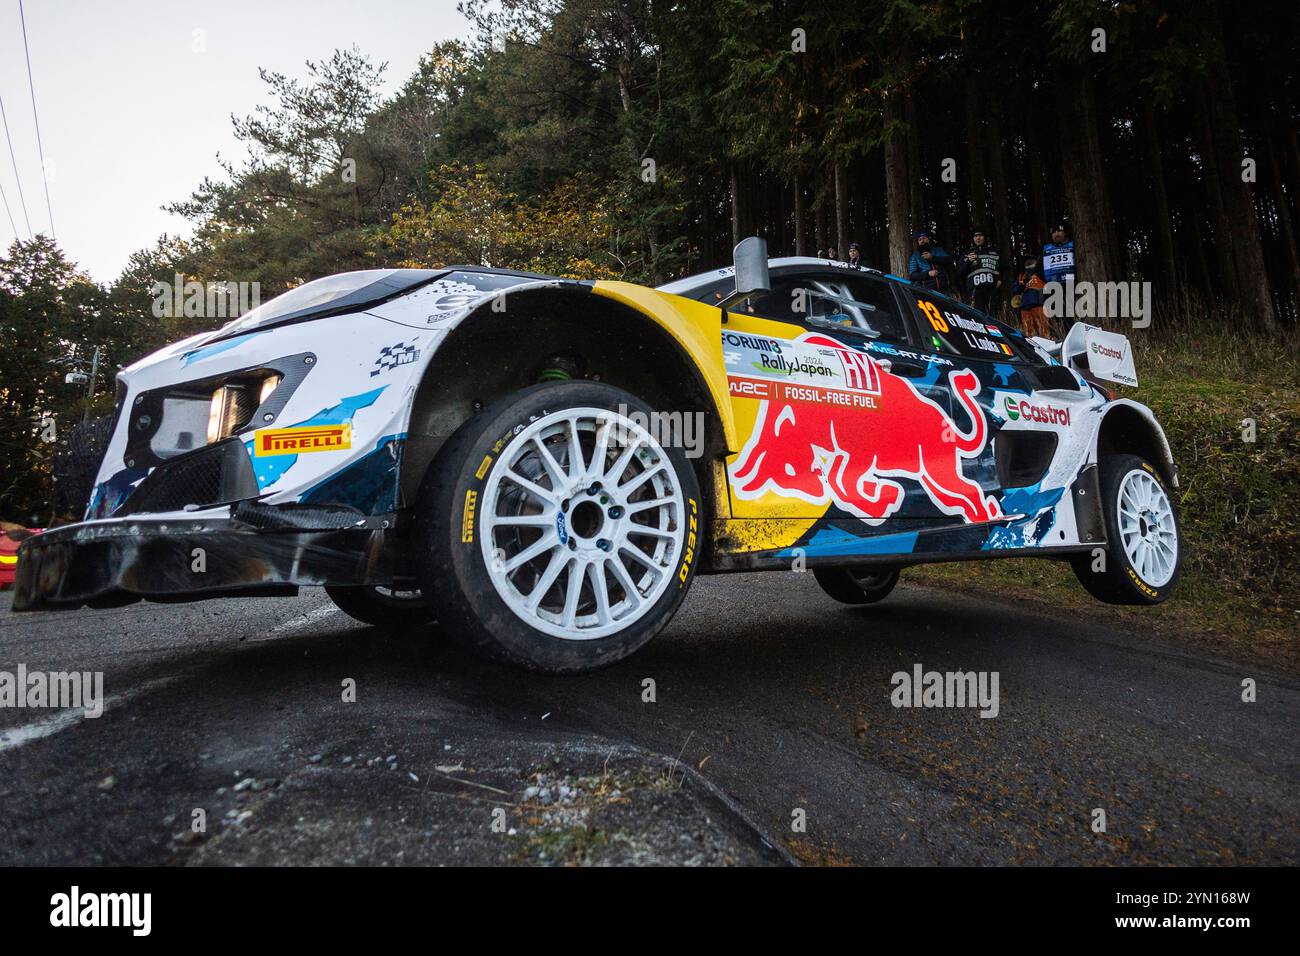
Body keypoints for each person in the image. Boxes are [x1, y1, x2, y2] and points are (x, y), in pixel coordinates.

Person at [959, 228, 1001, 315]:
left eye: (980, 236)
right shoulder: (967, 253)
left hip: (991, 289)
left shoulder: (994, 251)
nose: (978, 238)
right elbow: (960, 272)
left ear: (984, 237)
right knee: (978, 316)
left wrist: (1000, 279)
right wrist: (968, 262)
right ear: (973, 239)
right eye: (975, 236)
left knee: (992, 315)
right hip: (975, 290)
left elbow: (1003, 267)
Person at [1011, 254, 1049, 338]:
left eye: (1031, 261)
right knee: (1029, 332)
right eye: (1027, 262)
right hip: (1025, 307)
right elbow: (1014, 290)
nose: (1029, 263)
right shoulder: (1021, 276)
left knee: (1043, 329)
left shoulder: (1041, 274)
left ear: (1036, 262)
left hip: (1039, 305)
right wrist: (1020, 286)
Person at [1041, 222, 1076, 287]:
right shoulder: (1046, 249)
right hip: (1052, 286)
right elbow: (1039, 268)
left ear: (1065, 233)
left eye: (1059, 231)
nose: (1056, 234)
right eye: (1054, 232)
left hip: (1072, 284)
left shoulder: (1073, 245)